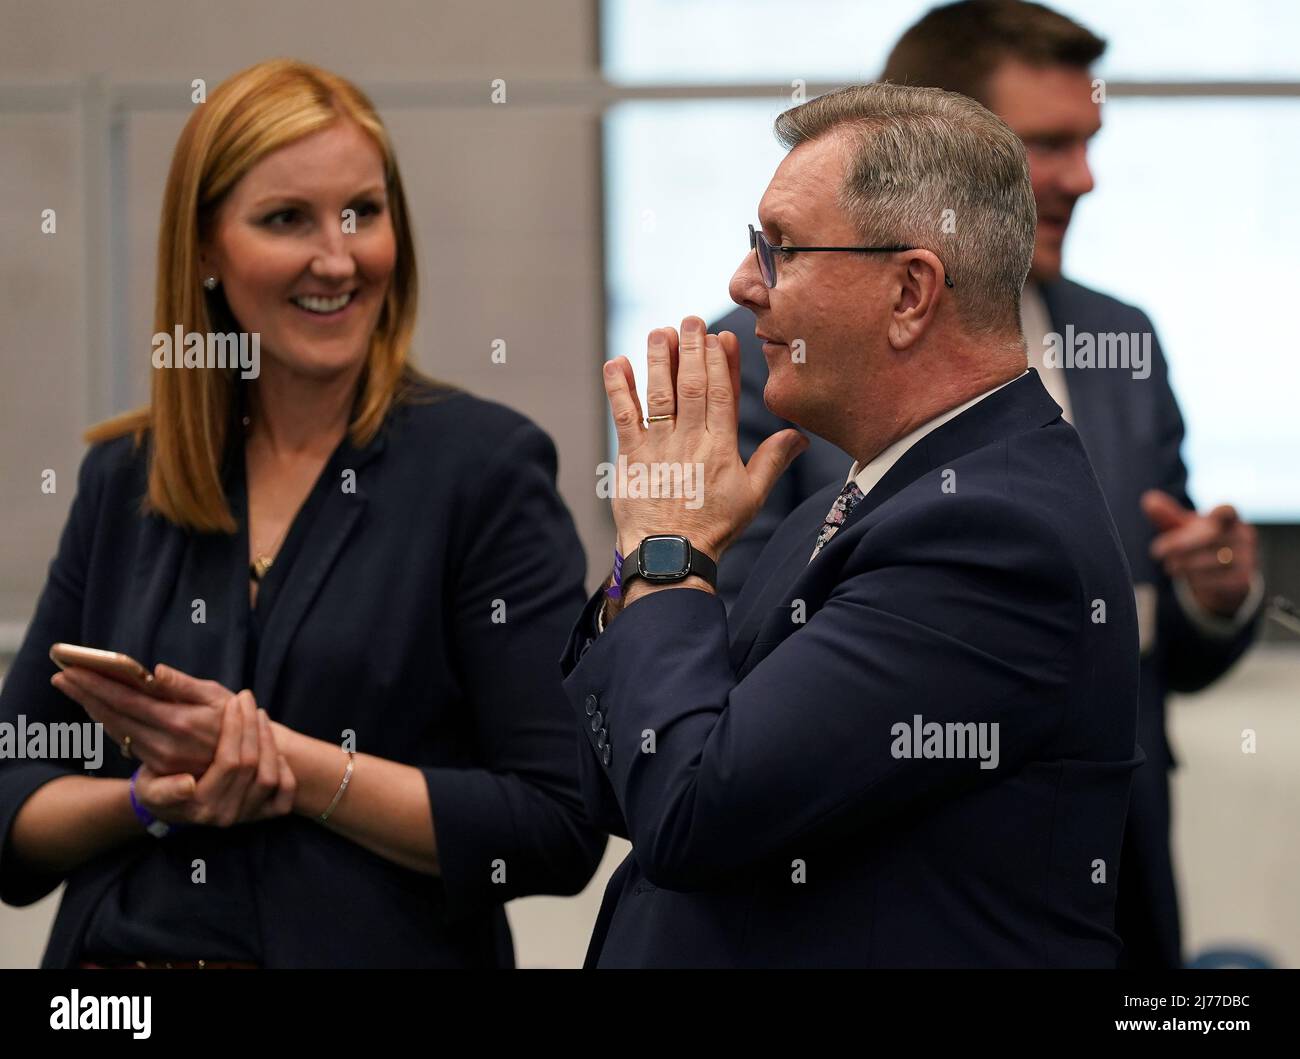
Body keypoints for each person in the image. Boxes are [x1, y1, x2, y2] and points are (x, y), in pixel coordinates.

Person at [0, 58, 604, 968]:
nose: (337, 257)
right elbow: (13, 800)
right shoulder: (126, 478)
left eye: (362, 212)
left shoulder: (483, 471)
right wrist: (148, 797)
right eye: (287, 218)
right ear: (204, 250)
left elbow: (556, 822)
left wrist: (286, 764)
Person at [711, 0, 1262, 968]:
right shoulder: (774, 355)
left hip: (1112, 868)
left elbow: (1125, 636)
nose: (1081, 178)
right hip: (889, 891)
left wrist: (1213, 601)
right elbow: (733, 647)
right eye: (1047, 146)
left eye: (1088, 143)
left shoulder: (1123, 339)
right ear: (943, 151)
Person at [563, 83, 1140, 967]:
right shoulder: (855, 501)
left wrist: (664, 550)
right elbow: (622, 781)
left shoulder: (990, 537)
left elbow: (691, 812)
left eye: (782, 248)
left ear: (910, 292)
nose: (744, 282)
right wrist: (643, 570)